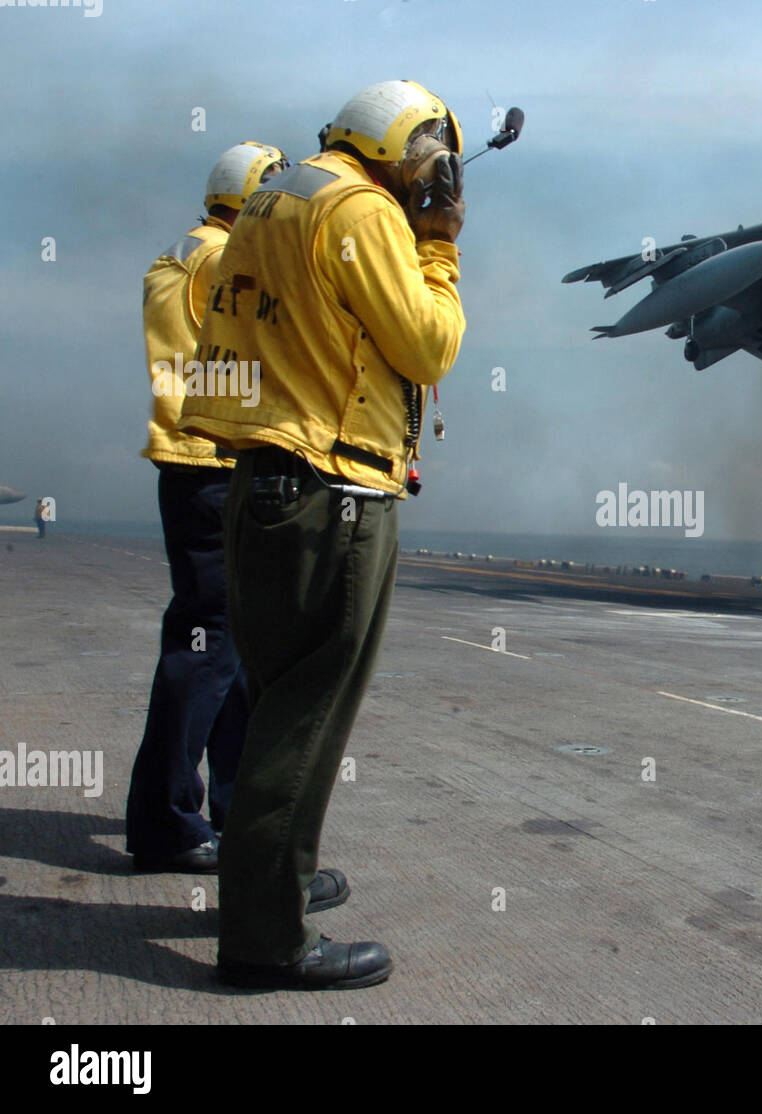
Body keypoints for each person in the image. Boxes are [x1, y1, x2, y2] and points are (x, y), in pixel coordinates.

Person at [178, 80, 467, 990]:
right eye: (436, 165)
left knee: (275, 705)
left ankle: (272, 891)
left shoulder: (273, 200)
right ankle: (266, 941)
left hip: (261, 482)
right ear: (415, 155)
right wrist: (439, 245)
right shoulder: (364, 213)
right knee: (303, 722)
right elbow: (428, 345)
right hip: (334, 493)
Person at [127, 143, 288, 873]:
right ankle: (167, 824)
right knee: (207, 649)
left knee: (228, 652)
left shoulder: (184, 252)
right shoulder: (225, 260)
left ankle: (228, 812)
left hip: (195, 466)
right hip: (216, 468)